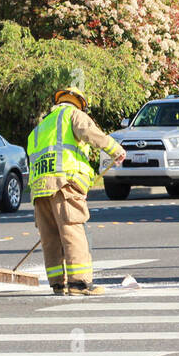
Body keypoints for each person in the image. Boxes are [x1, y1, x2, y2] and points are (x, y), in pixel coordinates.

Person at [26, 87, 125, 297]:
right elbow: (89, 133)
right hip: (65, 183)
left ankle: (58, 284)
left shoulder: (41, 127)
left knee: (50, 237)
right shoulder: (73, 115)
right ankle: (79, 283)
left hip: (39, 189)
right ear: (79, 103)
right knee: (72, 232)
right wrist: (115, 150)